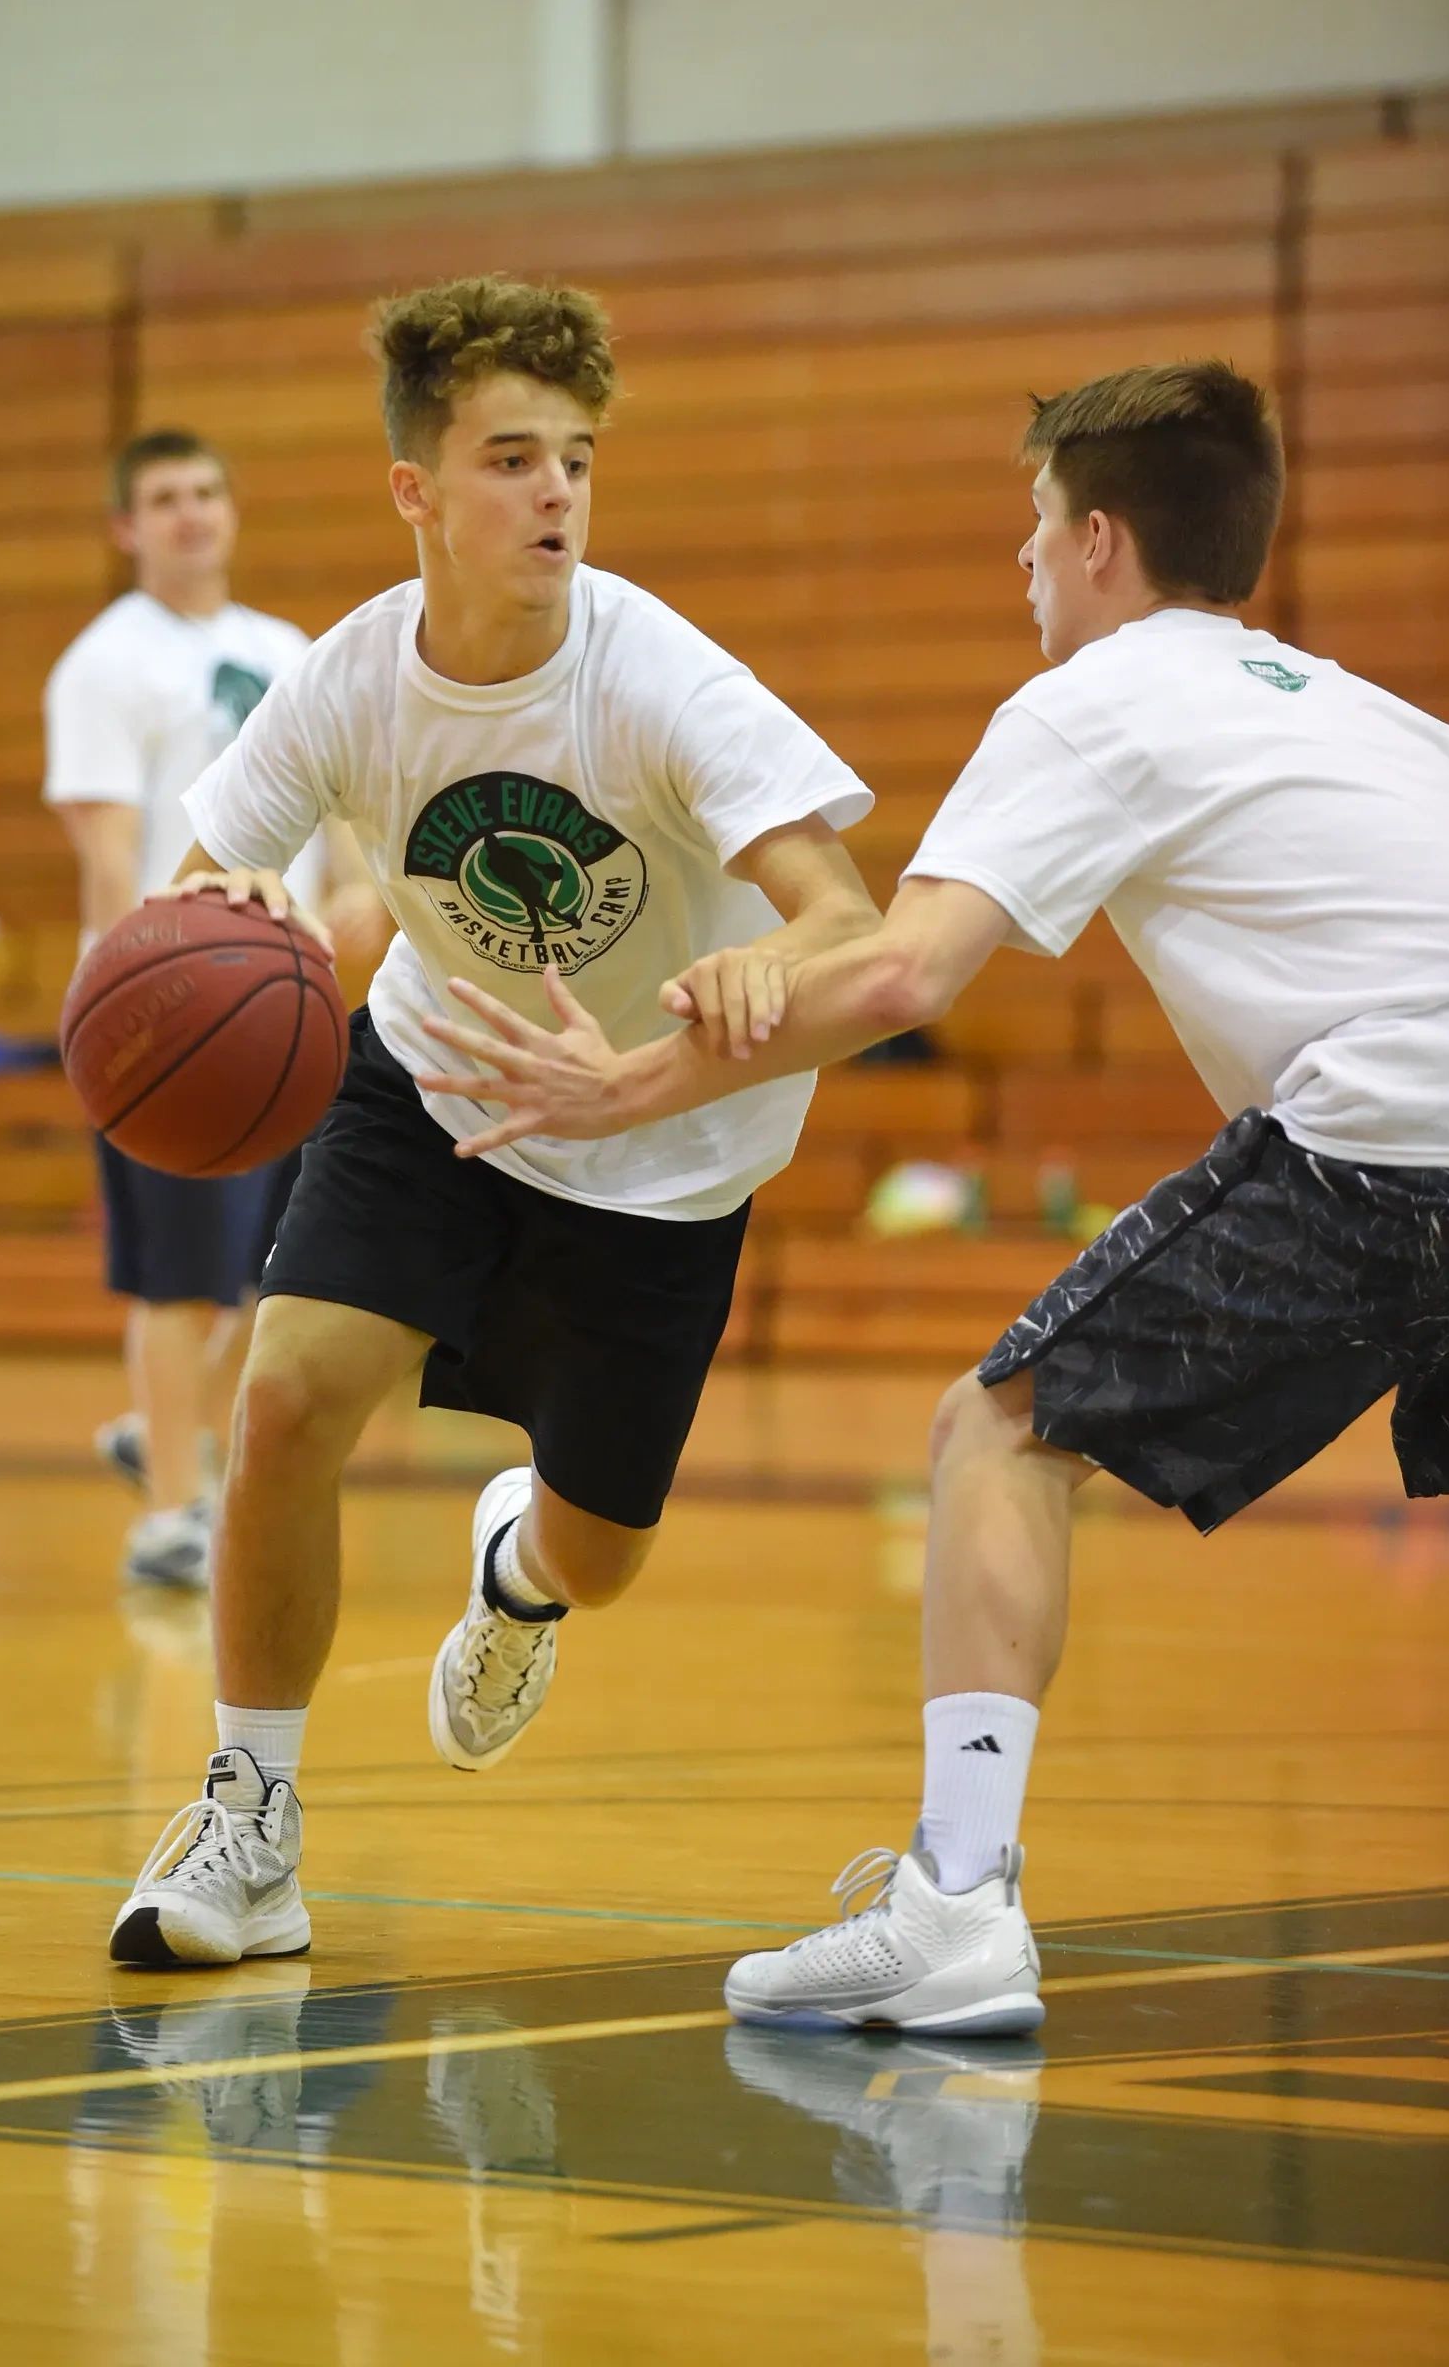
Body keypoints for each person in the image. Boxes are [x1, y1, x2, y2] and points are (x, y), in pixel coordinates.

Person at [420, 359, 1449, 2035]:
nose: (1019, 562)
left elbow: (900, 974)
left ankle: (955, 1907)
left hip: (1385, 1135)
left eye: (1034, 526)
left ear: (1101, 544)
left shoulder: (1094, 701)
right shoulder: (1382, 718)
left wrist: (624, 1085)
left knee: (998, 1433)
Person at [106, 277, 879, 1968]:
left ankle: (516, 1577)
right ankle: (250, 1822)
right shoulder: (347, 678)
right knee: (287, 1397)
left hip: (661, 1153)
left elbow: (844, 915)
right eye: (511, 458)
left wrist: (771, 974)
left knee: (597, 1559)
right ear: (418, 494)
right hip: (430, 1086)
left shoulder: (660, 677)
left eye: (576, 460)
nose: (554, 496)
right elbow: (203, 877)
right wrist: (233, 897)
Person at [45, 430, 383, 1592]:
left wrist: (349, 896)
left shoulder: (284, 648)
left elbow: (335, 811)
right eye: (162, 499)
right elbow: (103, 855)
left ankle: (163, 1426)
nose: (190, 514)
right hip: (171, 1016)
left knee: (287, 1271)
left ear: (232, 512)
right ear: (124, 528)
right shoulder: (102, 665)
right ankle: (171, 1516)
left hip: (286, 1003)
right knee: (177, 1277)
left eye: (205, 493)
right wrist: (128, 991)